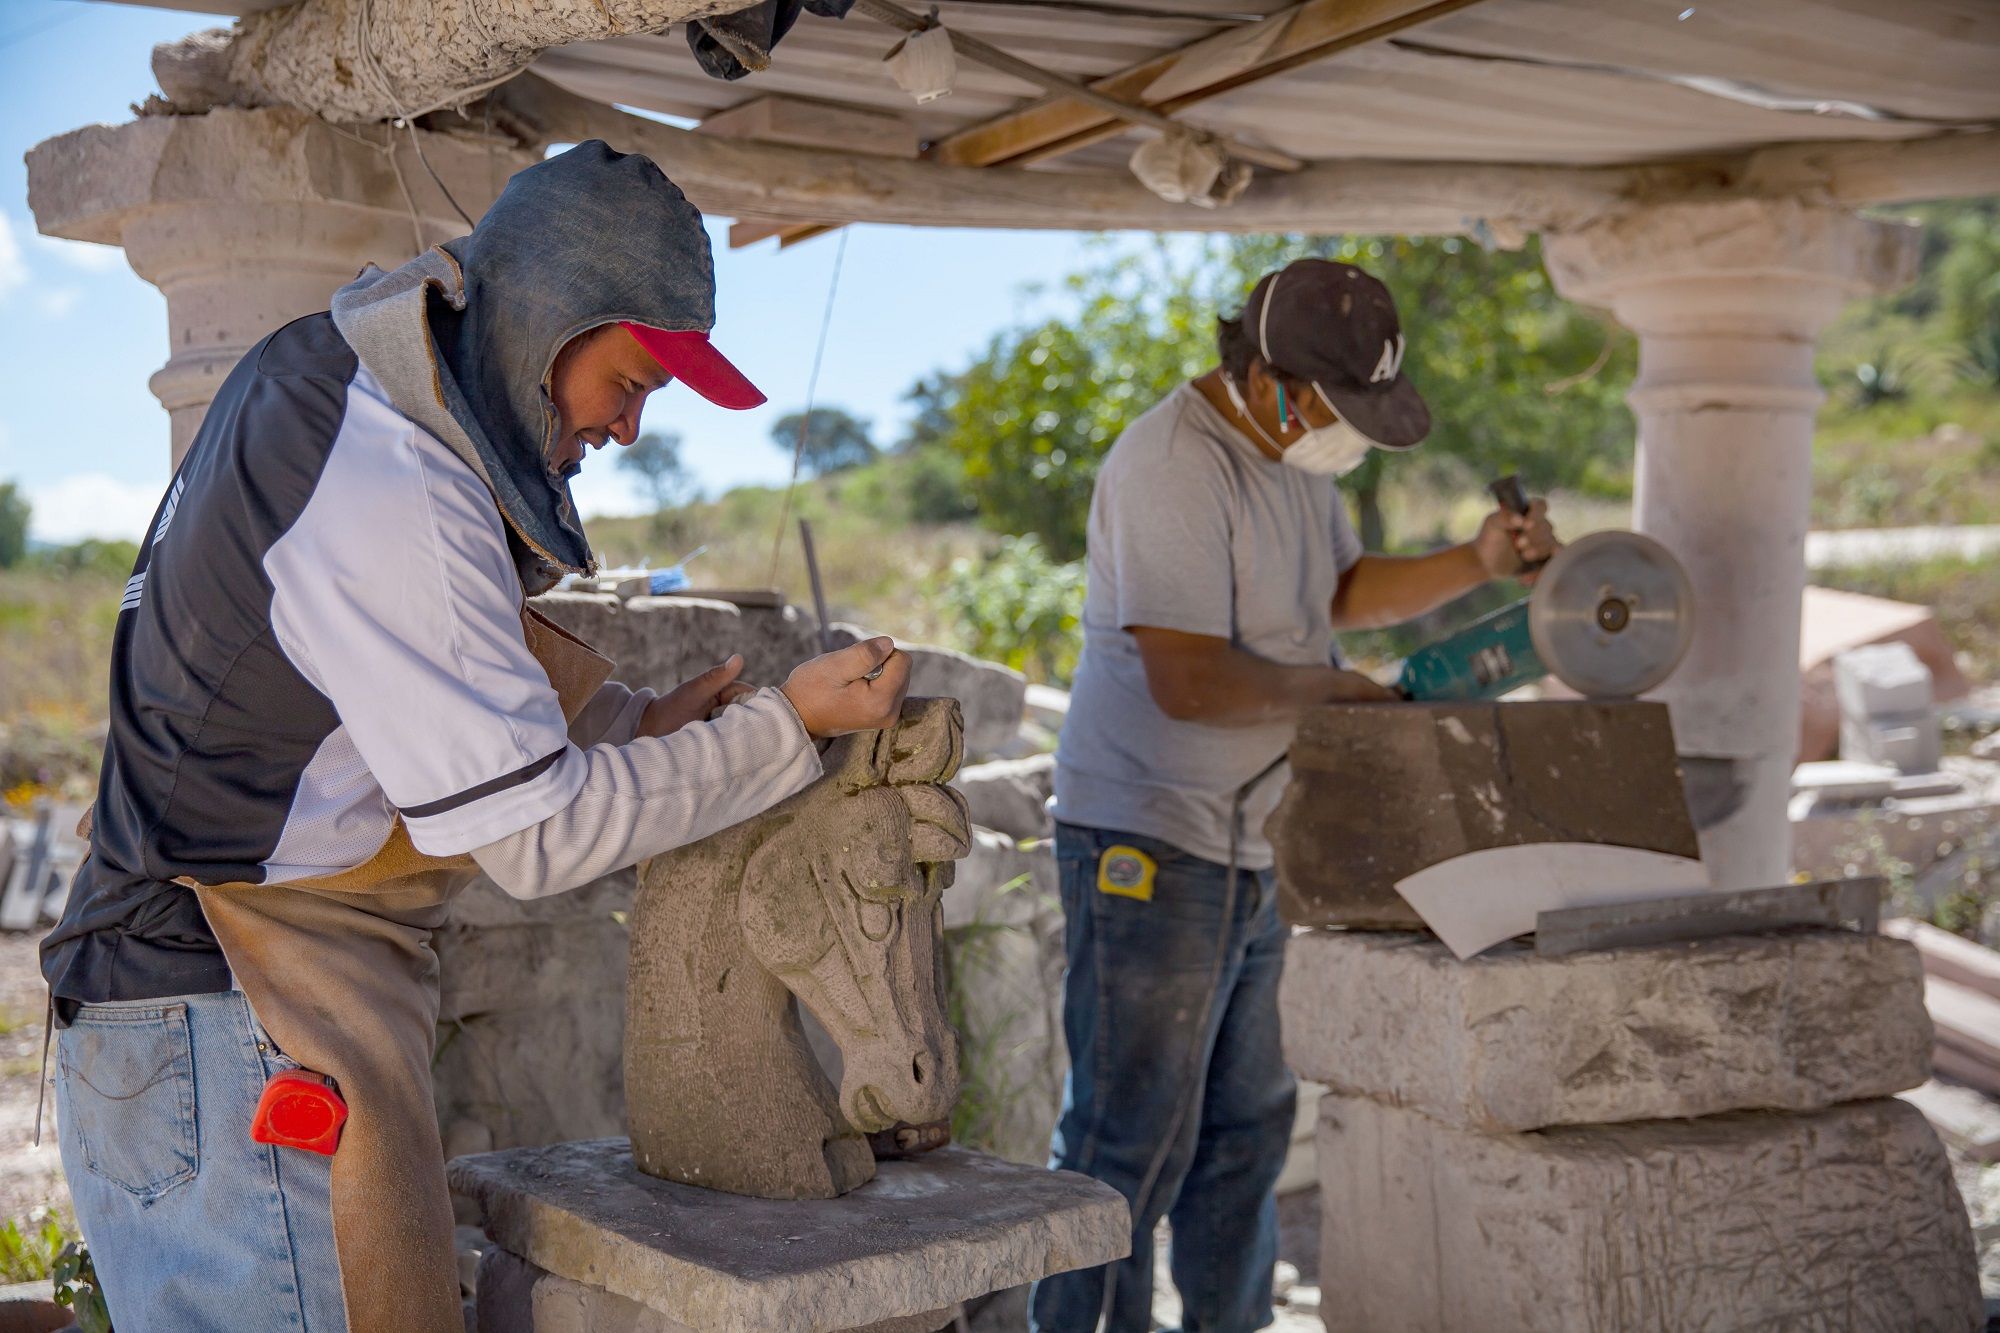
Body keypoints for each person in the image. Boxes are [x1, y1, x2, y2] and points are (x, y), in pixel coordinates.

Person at [38, 141, 910, 1333]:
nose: (628, 427)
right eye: (628, 381)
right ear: (548, 324)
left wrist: (634, 729)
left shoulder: (328, 382)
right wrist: (786, 728)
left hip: (184, 1012)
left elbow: (388, 693)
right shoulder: (391, 471)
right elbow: (535, 836)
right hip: (222, 1014)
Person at [1035, 258, 1559, 1332]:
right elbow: (1187, 680)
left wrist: (1476, 559)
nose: (1347, 438)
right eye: (1338, 412)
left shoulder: (1292, 458)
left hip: (1257, 835)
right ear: (1270, 382)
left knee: (1248, 1131)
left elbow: (1340, 589)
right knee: (1129, 1138)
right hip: (1147, 838)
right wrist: (1331, 693)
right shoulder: (1174, 465)